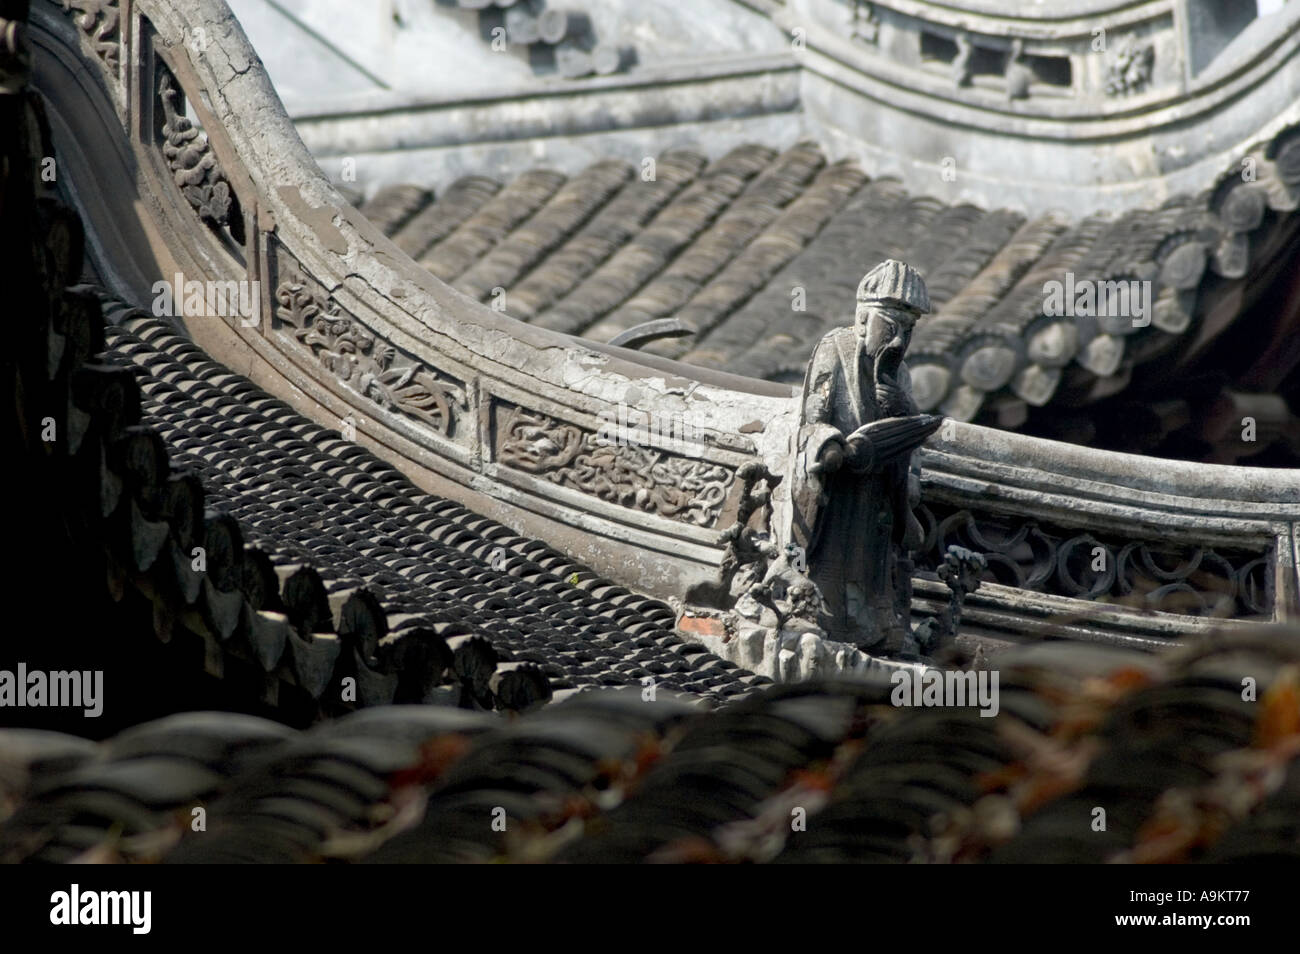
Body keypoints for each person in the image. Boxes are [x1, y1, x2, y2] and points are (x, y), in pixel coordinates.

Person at [788, 260, 941, 649]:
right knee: (832, 559)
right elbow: (812, 418)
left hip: (878, 491)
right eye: (890, 327)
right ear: (861, 319)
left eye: (908, 330)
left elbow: (910, 439)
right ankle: (817, 612)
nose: (899, 340)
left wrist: (902, 412)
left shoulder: (900, 373)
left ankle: (875, 623)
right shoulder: (833, 349)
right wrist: (832, 447)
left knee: (874, 562)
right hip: (839, 484)